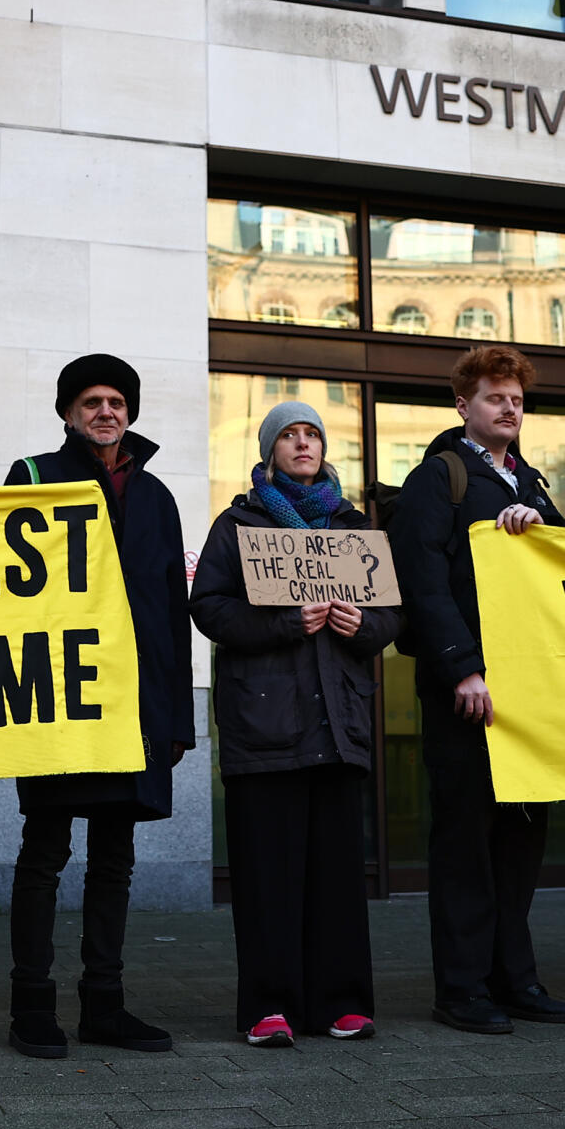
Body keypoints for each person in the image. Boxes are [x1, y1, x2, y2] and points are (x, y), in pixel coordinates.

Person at [190, 401, 403, 1046]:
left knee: (337, 878)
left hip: (338, 727)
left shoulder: (353, 526)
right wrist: (286, 622)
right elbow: (209, 608)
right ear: (269, 451)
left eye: (312, 434)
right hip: (266, 726)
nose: (304, 444)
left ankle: (342, 1003)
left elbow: (393, 614)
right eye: (290, 435)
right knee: (267, 878)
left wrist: (360, 626)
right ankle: (268, 1008)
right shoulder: (238, 524)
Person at [1, 355, 193, 1058]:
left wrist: (179, 719)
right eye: (90, 401)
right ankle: (31, 1010)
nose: (105, 411)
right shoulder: (32, 478)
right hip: (57, 697)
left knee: (116, 859)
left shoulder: (159, 498)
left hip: (139, 705)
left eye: (116, 401)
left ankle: (105, 1007)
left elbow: (174, 611)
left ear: (130, 412)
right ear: (67, 412)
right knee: (44, 854)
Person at [388, 345, 565, 1034]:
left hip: (529, 691)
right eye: (496, 398)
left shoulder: (529, 483)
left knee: (521, 841)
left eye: (518, 400)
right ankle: (462, 989)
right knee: (468, 843)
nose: (510, 409)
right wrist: (460, 665)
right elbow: (423, 582)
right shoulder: (438, 478)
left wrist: (541, 526)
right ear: (463, 405)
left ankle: (515, 979)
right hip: (468, 693)